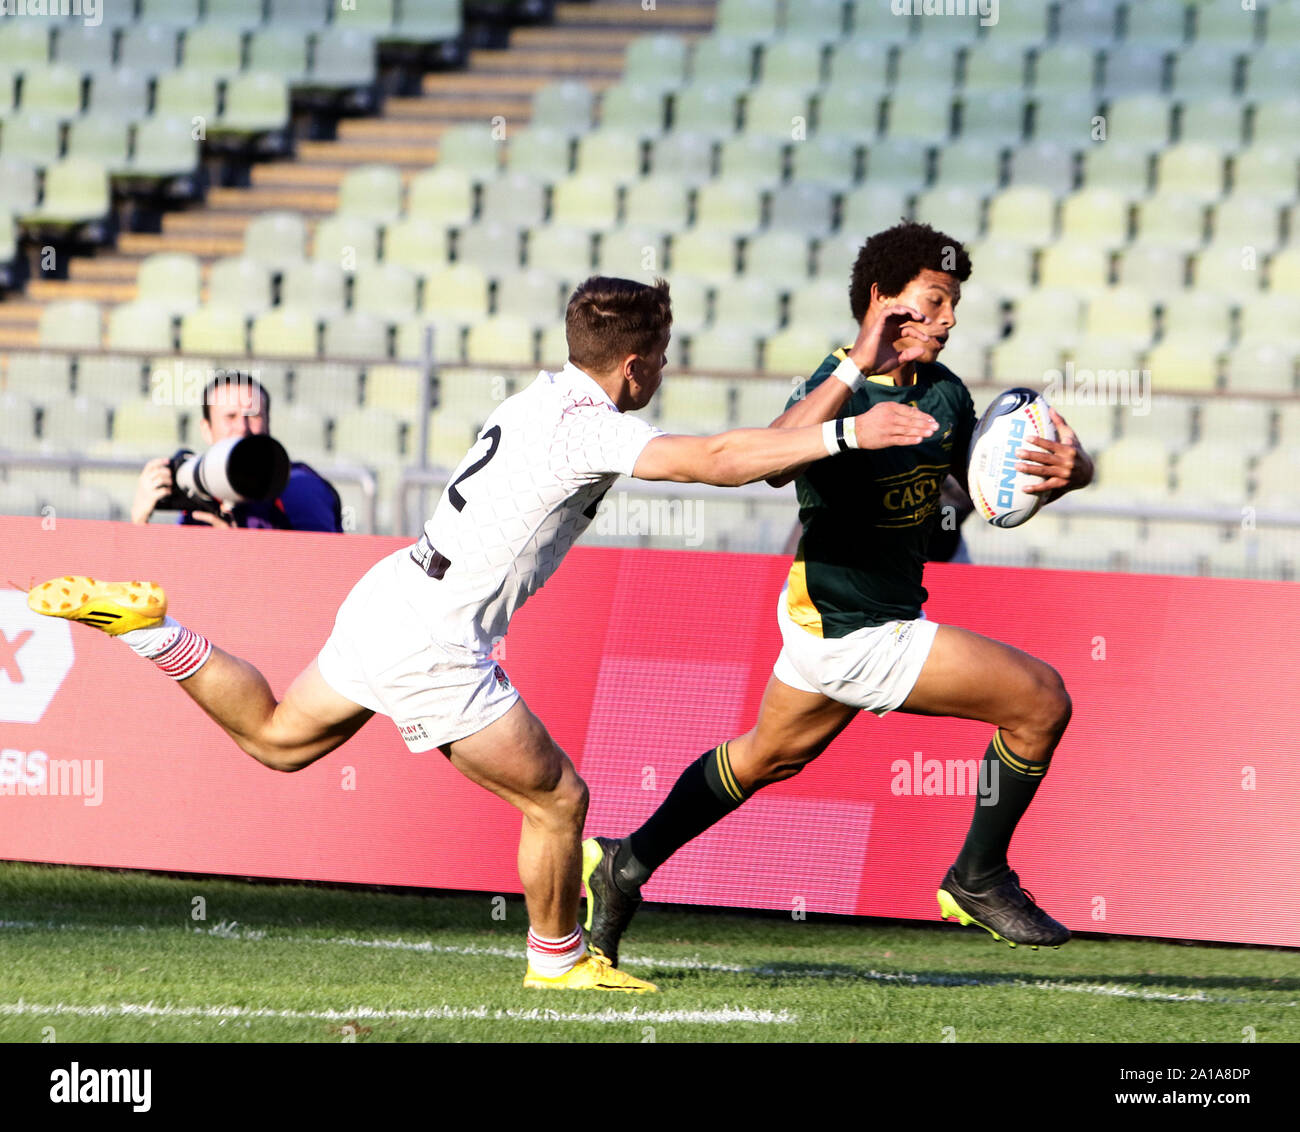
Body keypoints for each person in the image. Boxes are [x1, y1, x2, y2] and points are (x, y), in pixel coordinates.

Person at [28, 276, 943, 993]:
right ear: (633, 367)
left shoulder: (544, 397)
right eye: (659, 360)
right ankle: (556, 957)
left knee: (274, 738)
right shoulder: (590, 426)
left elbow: (756, 443)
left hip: (392, 591)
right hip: (436, 636)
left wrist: (849, 367)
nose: (660, 376)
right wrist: (849, 439)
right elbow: (717, 463)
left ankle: (153, 631)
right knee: (559, 802)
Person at [581, 224, 1095, 965]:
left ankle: (625, 863)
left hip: (847, 619)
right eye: (936, 300)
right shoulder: (834, 388)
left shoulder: (946, 394)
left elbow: (977, 496)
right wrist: (855, 373)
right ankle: (978, 876)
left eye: (954, 304)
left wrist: (1062, 475)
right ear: (885, 304)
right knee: (1042, 700)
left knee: (764, 759)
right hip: (850, 629)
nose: (950, 319)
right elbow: (771, 459)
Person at [130, 372, 342, 532]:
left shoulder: (298, 485)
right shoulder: (201, 485)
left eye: (253, 416)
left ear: (269, 424)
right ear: (206, 429)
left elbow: (320, 571)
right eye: (230, 416)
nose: (242, 427)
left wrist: (239, 549)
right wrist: (140, 524)